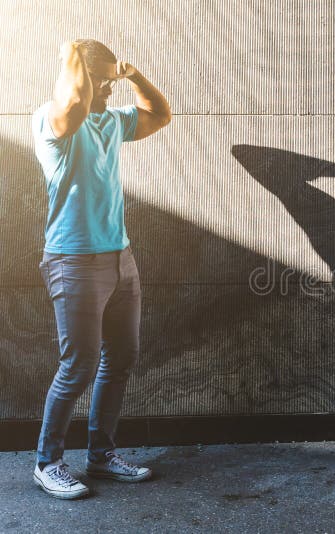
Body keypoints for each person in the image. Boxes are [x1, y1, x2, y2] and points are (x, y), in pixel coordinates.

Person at [30, 39, 171, 499]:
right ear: (81, 78)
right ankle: (47, 463)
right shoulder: (52, 119)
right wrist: (72, 51)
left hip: (120, 259)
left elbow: (159, 114)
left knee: (121, 358)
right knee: (78, 366)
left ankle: (101, 456)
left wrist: (131, 75)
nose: (111, 91)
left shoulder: (111, 121)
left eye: (112, 83)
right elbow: (72, 105)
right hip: (74, 262)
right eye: (103, 82)